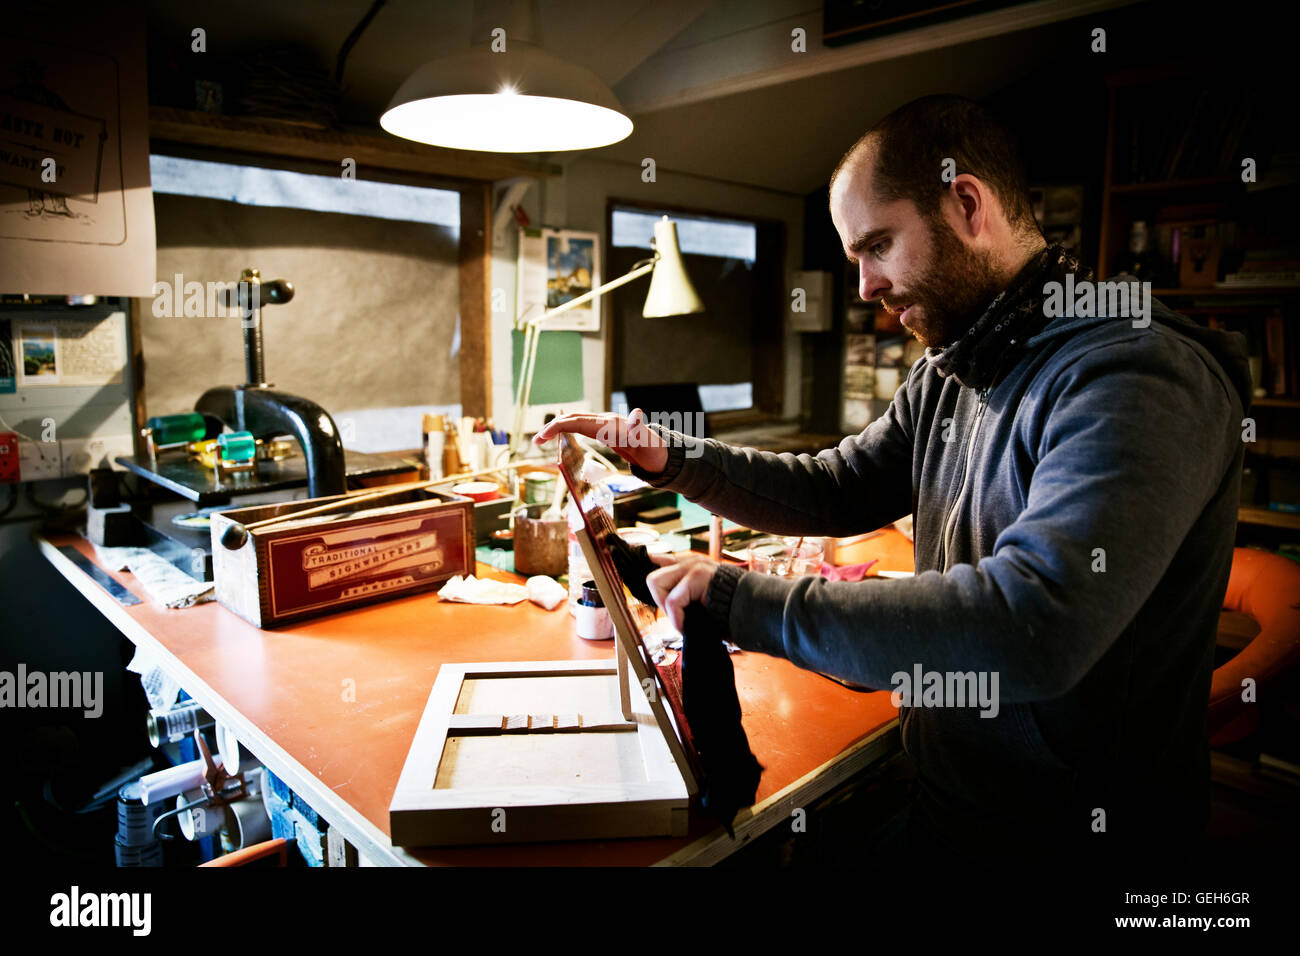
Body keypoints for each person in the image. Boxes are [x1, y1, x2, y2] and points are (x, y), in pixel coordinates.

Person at [535, 94, 1251, 865]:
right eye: (855, 259)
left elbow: (1033, 623)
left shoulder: (1135, 376)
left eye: (878, 246)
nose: (866, 287)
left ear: (967, 203)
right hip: (946, 804)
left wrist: (739, 600)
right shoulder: (956, 366)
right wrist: (670, 454)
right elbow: (837, 486)